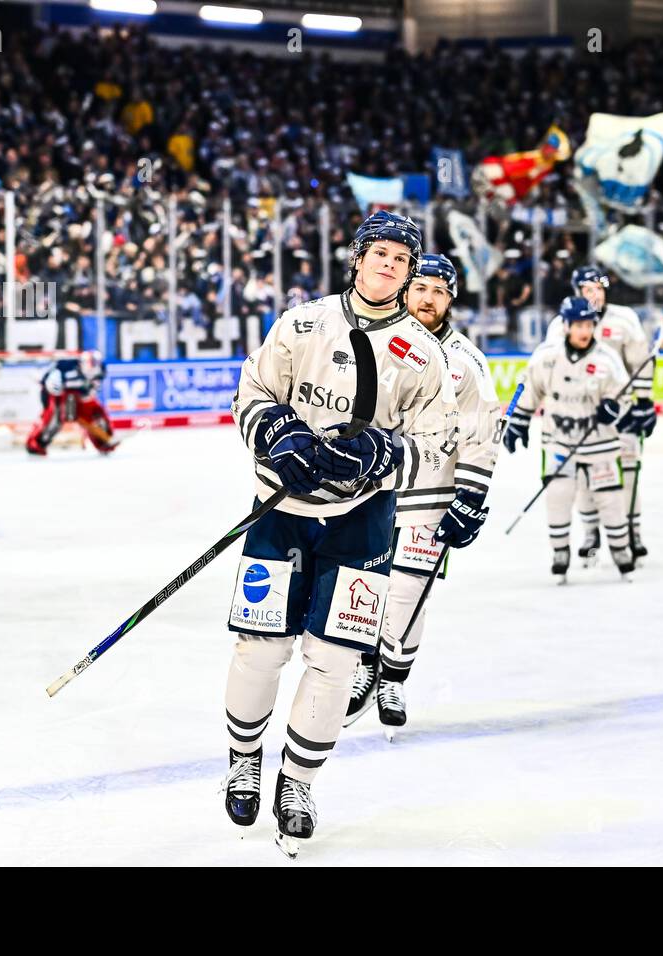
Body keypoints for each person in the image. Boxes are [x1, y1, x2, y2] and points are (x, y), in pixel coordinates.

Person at [221, 211, 458, 856]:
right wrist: (273, 432)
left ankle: (296, 781)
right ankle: (245, 758)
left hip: (363, 526)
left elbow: (438, 443)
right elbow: (252, 388)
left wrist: (386, 455)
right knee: (257, 649)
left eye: (402, 260)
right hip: (281, 514)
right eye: (379, 253)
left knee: (335, 663)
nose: (390, 266)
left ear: (410, 274)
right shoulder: (301, 323)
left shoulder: (425, 353)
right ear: (357, 258)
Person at [344, 254, 501, 733]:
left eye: (439, 290)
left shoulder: (467, 362)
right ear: (405, 291)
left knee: (409, 591)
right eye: (421, 288)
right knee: (364, 584)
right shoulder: (377, 338)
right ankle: (364, 663)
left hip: (430, 494)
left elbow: (483, 430)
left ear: (450, 299)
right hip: (370, 490)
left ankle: (393, 676)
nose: (428, 298)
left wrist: (471, 495)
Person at [509, 296, 635, 583]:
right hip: (559, 443)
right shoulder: (547, 358)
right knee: (557, 497)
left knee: (611, 500)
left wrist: (614, 407)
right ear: (565, 325)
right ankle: (560, 552)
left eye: (589, 324)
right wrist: (520, 421)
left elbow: (624, 396)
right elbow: (531, 389)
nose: (583, 330)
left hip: (600, 445)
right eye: (578, 324)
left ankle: (620, 550)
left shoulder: (607, 360)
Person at [542, 265, 656, 564]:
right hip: (578, 417)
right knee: (582, 480)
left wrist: (643, 403)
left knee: (628, 476)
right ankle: (592, 533)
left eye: (599, 289)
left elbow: (640, 363)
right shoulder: (560, 325)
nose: (595, 295)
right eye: (588, 289)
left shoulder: (625, 319)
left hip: (620, 413)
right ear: (577, 292)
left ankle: (633, 533)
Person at [26, 351, 117, 455]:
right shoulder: (64, 367)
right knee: (54, 419)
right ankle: (36, 444)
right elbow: (46, 384)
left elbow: (91, 392)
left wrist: (87, 394)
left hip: (80, 396)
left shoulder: (101, 371)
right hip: (59, 395)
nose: (91, 369)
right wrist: (47, 398)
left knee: (95, 413)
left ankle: (104, 440)